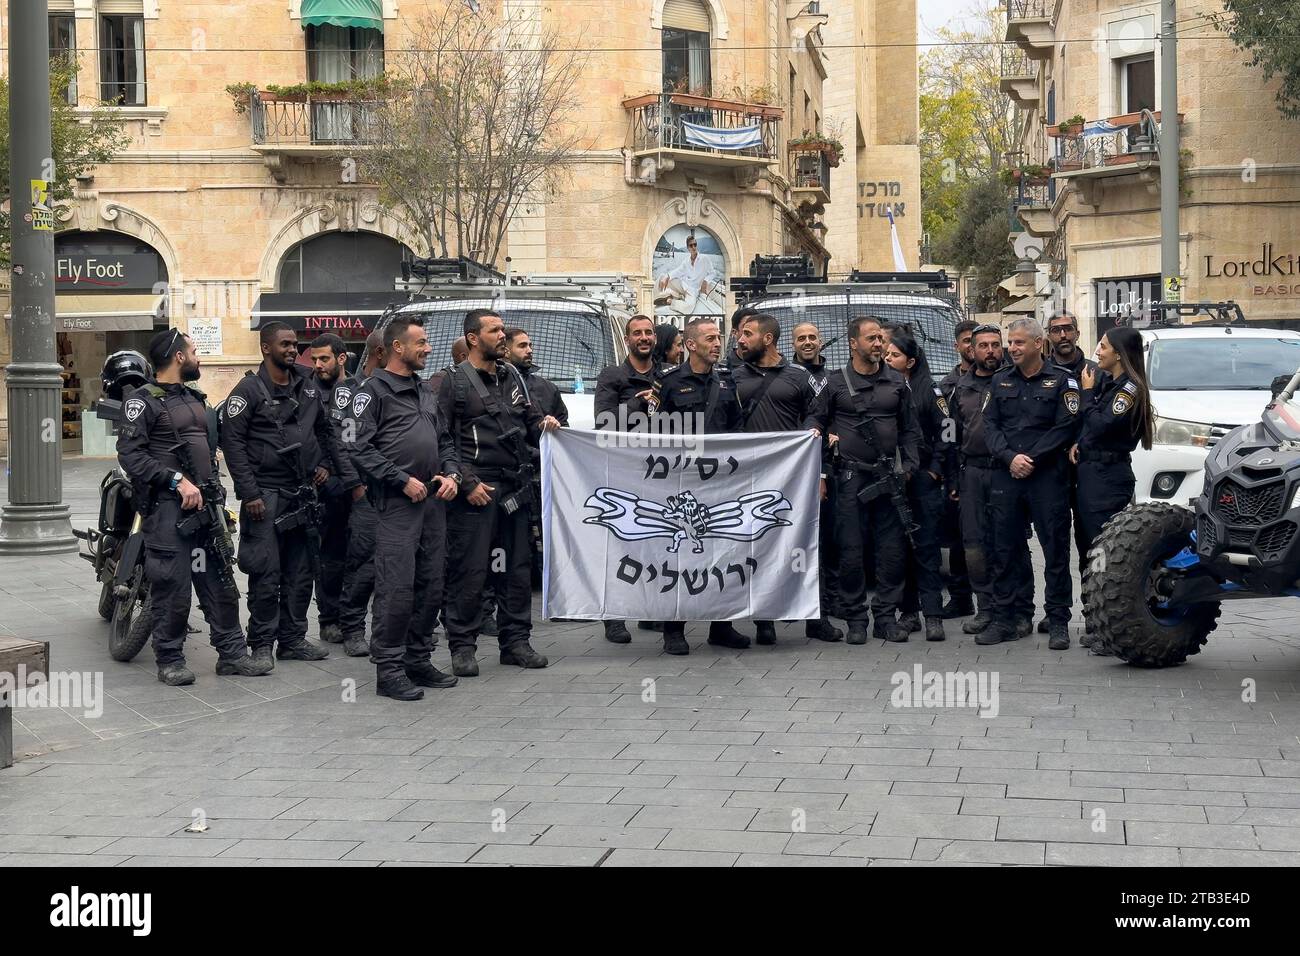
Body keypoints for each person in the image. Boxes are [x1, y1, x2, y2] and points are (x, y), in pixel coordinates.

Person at [116, 329, 271, 684]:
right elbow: (130, 455)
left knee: (220, 582)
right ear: (178, 356)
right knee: (172, 587)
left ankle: (232, 654)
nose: (199, 357)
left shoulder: (194, 397)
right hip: (168, 510)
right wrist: (175, 480)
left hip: (206, 508)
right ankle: (169, 660)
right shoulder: (142, 401)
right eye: (195, 351)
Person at [437, 308, 562, 676]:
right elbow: (442, 439)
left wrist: (546, 424)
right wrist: (467, 482)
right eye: (495, 330)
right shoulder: (453, 382)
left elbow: (531, 420)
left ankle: (516, 642)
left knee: (518, 569)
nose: (502, 336)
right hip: (477, 490)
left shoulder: (514, 378)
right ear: (474, 338)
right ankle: (462, 646)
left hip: (516, 489)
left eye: (503, 329)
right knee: (470, 570)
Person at [221, 322, 351, 668]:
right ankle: (262, 643)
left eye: (295, 345)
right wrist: (249, 494)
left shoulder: (306, 386)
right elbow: (232, 445)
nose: (293, 350)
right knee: (266, 573)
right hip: (265, 494)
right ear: (266, 348)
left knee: (301, 572)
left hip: (303, 494)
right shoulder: (247, 391)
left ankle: (293, 639)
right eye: (285, 345)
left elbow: (325, 432)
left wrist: (336, 470)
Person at [348, 315, 462, 701]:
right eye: (422, 342)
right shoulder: (372, 392)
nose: (428, 348)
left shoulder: (426, 390)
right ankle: (390, 669)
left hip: (433, 503)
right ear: (398, 347)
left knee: (430, 585)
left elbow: (444, 440)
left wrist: (451, 475)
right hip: (397, 505)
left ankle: (418, 658)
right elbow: (356, 446)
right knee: (396, 587)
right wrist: (399, 479)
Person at [809, 315, 921, 644]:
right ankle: (856, 617)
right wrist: (820, 462)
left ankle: (885, 616)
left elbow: (911, 431)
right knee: (850, 551)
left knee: (891, 551)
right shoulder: (834, 382)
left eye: (881, 339)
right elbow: (814, 421)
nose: (878, 344)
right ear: (853, 343)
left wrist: (910, 466)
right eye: (871, 338)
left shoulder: (898, 383)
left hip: (889, 481)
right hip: (850, 479)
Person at [732, 312, 841, 644]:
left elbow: (820, 416)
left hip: (794, 480)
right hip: (749, 481)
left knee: (806, 546)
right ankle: (765, 622)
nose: (739, 339)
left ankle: (814, 619)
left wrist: (820, 471)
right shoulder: (733, 377)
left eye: (747, 334)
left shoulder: (800, 376)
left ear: (767, 339)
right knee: (760, 549)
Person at [981, 317, 1081, 650]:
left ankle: (1057, 619)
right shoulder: (1000, 381)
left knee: (1054, 550)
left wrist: (1029, 459)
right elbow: (989, 426)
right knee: (1004, 549)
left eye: (1018, 343)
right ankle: (1007, 618)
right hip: (1007, 475)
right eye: (1011, 342)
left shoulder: (1063, 381)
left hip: (1046, 478)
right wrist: (1010, 458)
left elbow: (1065, 427)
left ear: (1039, 344)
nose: (1012, 348)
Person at [649, 316, 748, 654]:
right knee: (679, 555)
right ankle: (673, 630)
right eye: (709, 338)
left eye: (718, 337)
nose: (717, 343)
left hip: (720, 483)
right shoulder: (669, 383)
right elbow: (654, 434)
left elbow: (738, 430)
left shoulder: (727, 382)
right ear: (691, 345)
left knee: (722, 553)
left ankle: (722, 626)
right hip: (681, 484)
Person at [952, 325, 1033, 635]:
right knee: (974, 544)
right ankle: (987, 607)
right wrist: (953, 480)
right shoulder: (961, 386)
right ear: (972, 350)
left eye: (995, 345)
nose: (990, 351)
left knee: (1012, 544)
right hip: (972, 472)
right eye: (983, 345)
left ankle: (1021, 610)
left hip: (1007, 472)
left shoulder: (1015, 380)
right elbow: (953, 435)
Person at [594, 314, 658, 644]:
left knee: (653, 544)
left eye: (648, 332)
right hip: (622, 475)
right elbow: (602, 424)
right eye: (638, 333)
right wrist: (635, 403)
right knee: (619, 545)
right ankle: (614, 616)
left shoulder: (666, 376)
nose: (644, 337)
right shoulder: (613, 376)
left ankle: (649, 611)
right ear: (628, 340)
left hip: (659, 475)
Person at [884, 329, 952, 642]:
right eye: (886, 354)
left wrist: (936, 471)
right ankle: (908, 613)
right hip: (896, 482)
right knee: (900, 550)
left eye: (894, 355)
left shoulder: (930, 391)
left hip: (924, 480)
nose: (887, 359)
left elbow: (948, 432)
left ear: (910, 361)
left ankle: (933, 616)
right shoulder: (886, 390)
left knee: (926, 549)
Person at [1045, 310, 1110, 626]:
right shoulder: (1042, 372)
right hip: (1052, 471)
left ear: (1077, 332)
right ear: (1048, 336)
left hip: (1088, 470)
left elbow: (1101, 420)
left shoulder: (1097, 372)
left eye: (1068, 329)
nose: (1062, 336)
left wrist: (1082, 442)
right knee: (1054, 545)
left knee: (1092, 544)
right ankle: (1056, 612)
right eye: (1056, 330)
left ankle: (1094, 612)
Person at [307, 333, 366, 653]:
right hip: (325, 487)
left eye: (324, 359)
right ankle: (329, 618)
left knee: (358, 554)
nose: (317, 365)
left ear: (341, 359)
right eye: (314, 360)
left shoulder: (360, 390)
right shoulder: (307, 390)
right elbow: (307, 435)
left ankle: (352, 617)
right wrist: (323, 465)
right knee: (328, 555)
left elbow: (359, 436)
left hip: (358, 483)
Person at [936, 319, 978, 619]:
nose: (972, 346)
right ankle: (961, 598)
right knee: (959, 540)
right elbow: (947, 436)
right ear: (958, 346)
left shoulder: (1001, 379)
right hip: (961, 470)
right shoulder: (947, 388)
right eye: (967, 341)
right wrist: (951, 478)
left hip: (996, 472)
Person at [505, 327, 569, 425]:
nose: (529, 350)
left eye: (530, 346)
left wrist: (554, 426)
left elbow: (563, 427)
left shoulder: (548, 388)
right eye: (522, 346)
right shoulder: (497, 384)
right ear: (506, 352)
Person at [655, 234, 715, 313]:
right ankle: (652, 300)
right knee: (662, 277)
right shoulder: (686, 261)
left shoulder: (705, 259)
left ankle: (669, 300)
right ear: (688, 248)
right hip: (683, 285)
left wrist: (706, 280)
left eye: (695, 244)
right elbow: (678, 271)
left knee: (688, 309)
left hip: (693, 291)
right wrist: (667, 276)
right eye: (691, 245)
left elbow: (713, 273)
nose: (693, 247)